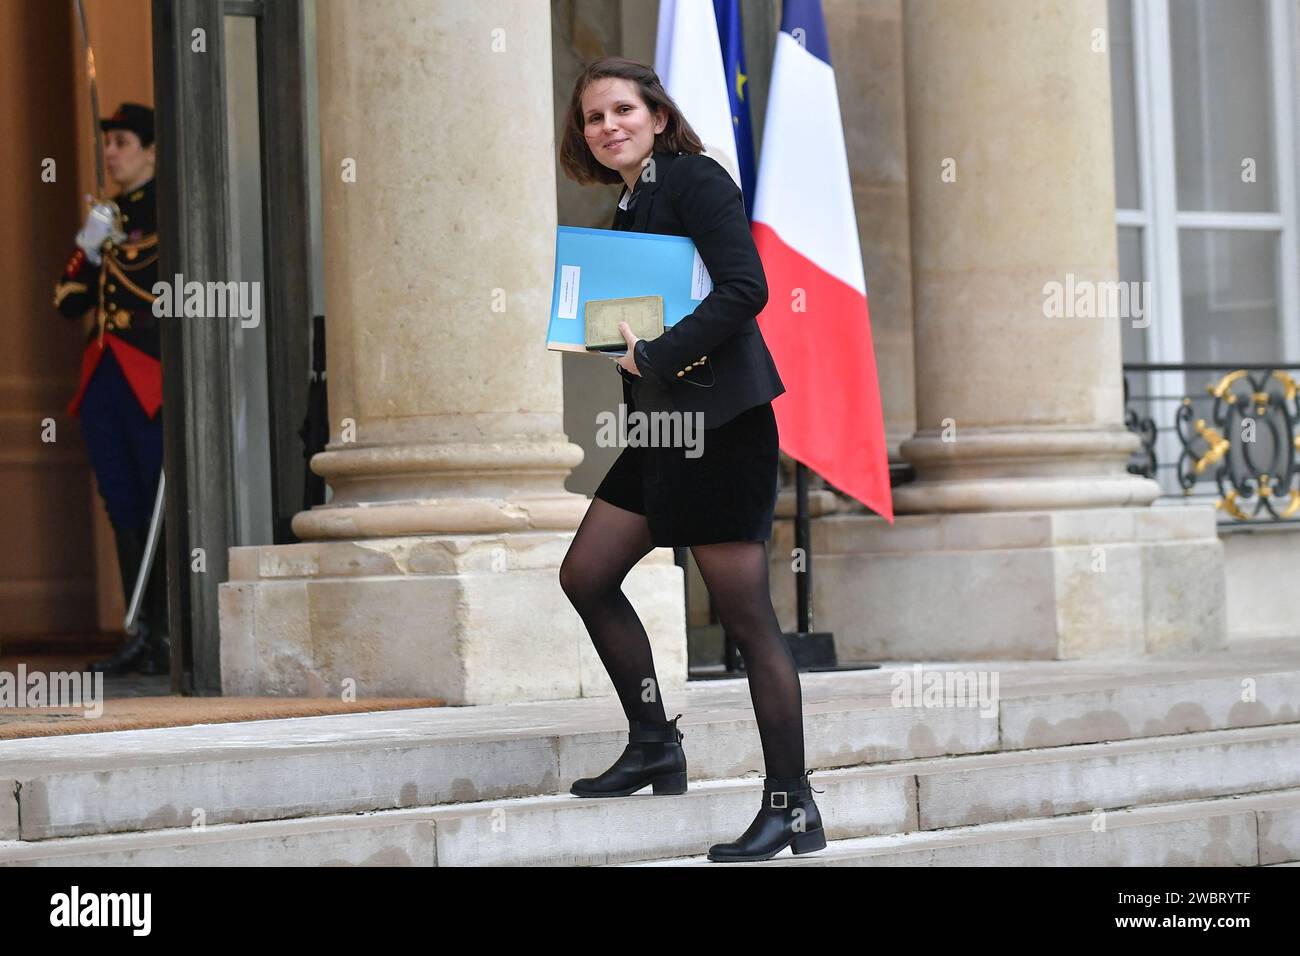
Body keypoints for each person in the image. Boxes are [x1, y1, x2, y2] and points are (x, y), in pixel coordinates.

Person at [556, 57, 825, 862]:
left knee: (748, 622)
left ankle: (794, 806)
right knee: (585, 576)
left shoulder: (697, 180)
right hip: (662, 430)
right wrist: (609, 342)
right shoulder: (628, 207)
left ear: (658, 116)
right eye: (593, 118)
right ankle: (653, 743)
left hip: (722, 424)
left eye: (621, 111)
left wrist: (658, 354)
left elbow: (746, 289)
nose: (608, 126)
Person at [53, 102, 169, 676]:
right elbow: (67, 300)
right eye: (109, 142)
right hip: (104, 376)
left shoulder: (168, 212)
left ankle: (172, 632)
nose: (112, 152)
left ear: (151, 150)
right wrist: (92, 244)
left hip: (149, 375)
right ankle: (140, 632)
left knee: (155, 498)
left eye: (124, 141)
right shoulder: (109, 215)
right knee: (120, 499)